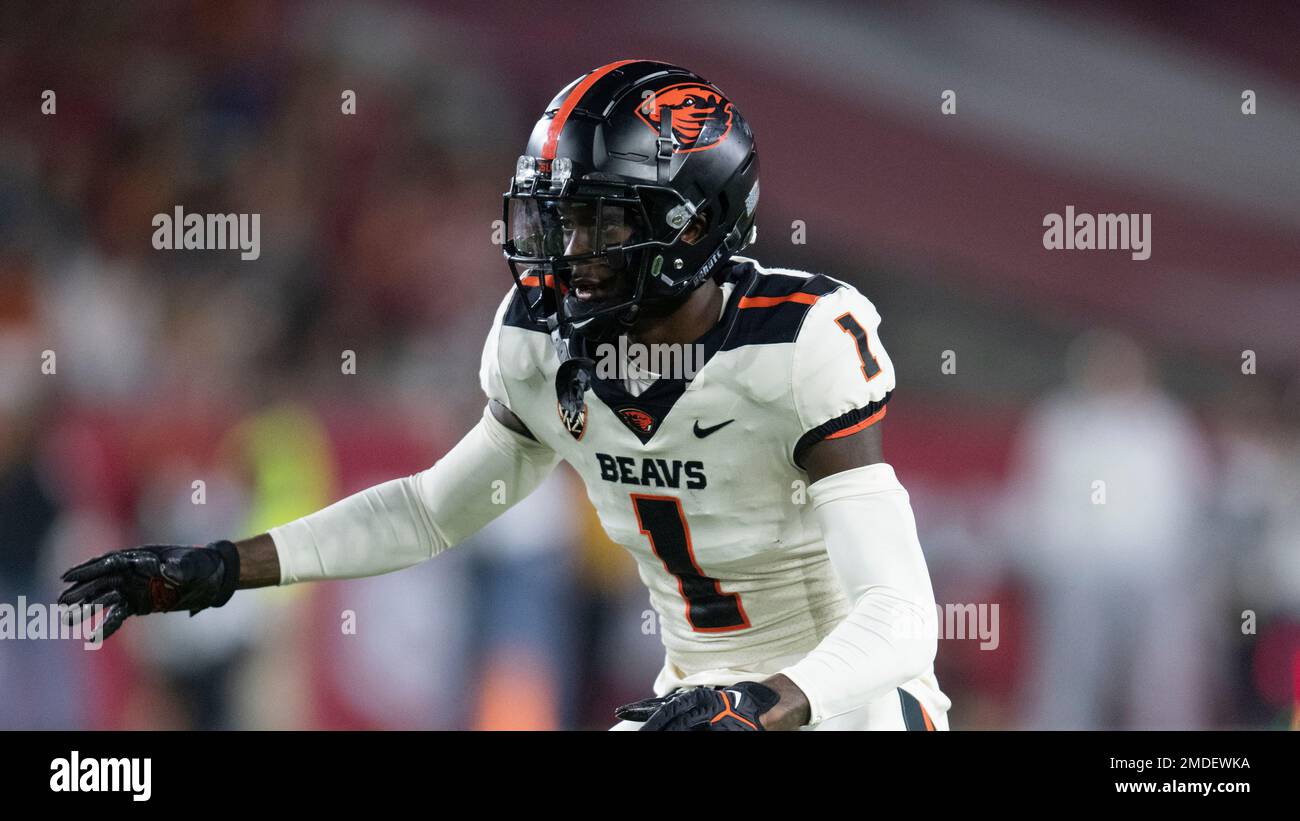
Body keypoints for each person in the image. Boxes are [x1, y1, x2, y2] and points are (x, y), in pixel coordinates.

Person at [59, 60, 950, 731]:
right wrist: (222, 566)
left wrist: (765, 704)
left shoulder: (799, 341)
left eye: (602, 220)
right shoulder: (541, 339)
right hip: (697, 705)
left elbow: (902, 615)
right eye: (557, 218)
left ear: (693, 224)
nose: (569, 249)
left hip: (843, 700)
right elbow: (428, 510)